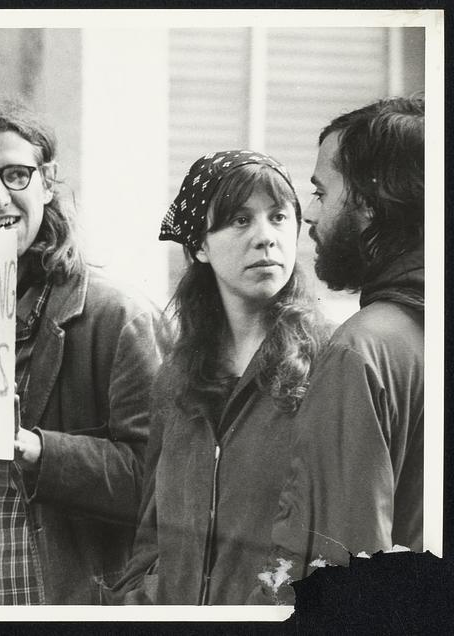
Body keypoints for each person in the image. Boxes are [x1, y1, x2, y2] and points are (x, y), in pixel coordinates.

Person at [0, 88, 172, 605]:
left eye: (16, 175)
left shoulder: (117, 318)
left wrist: (35, 449)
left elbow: (162, 485)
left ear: (46, 184)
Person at [112, 150, 331, 605]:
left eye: (278, 217)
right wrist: (138, 599)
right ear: (198, 246)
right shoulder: (177, 376)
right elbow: (153, 530)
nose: (265, 238)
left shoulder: (328, 365)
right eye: (239, 220)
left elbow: (332, 538)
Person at [252, 96, 425, 604]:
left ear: (371, 203)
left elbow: (344, 571)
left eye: (321, 193)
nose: (311, 216)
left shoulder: (360, 350)